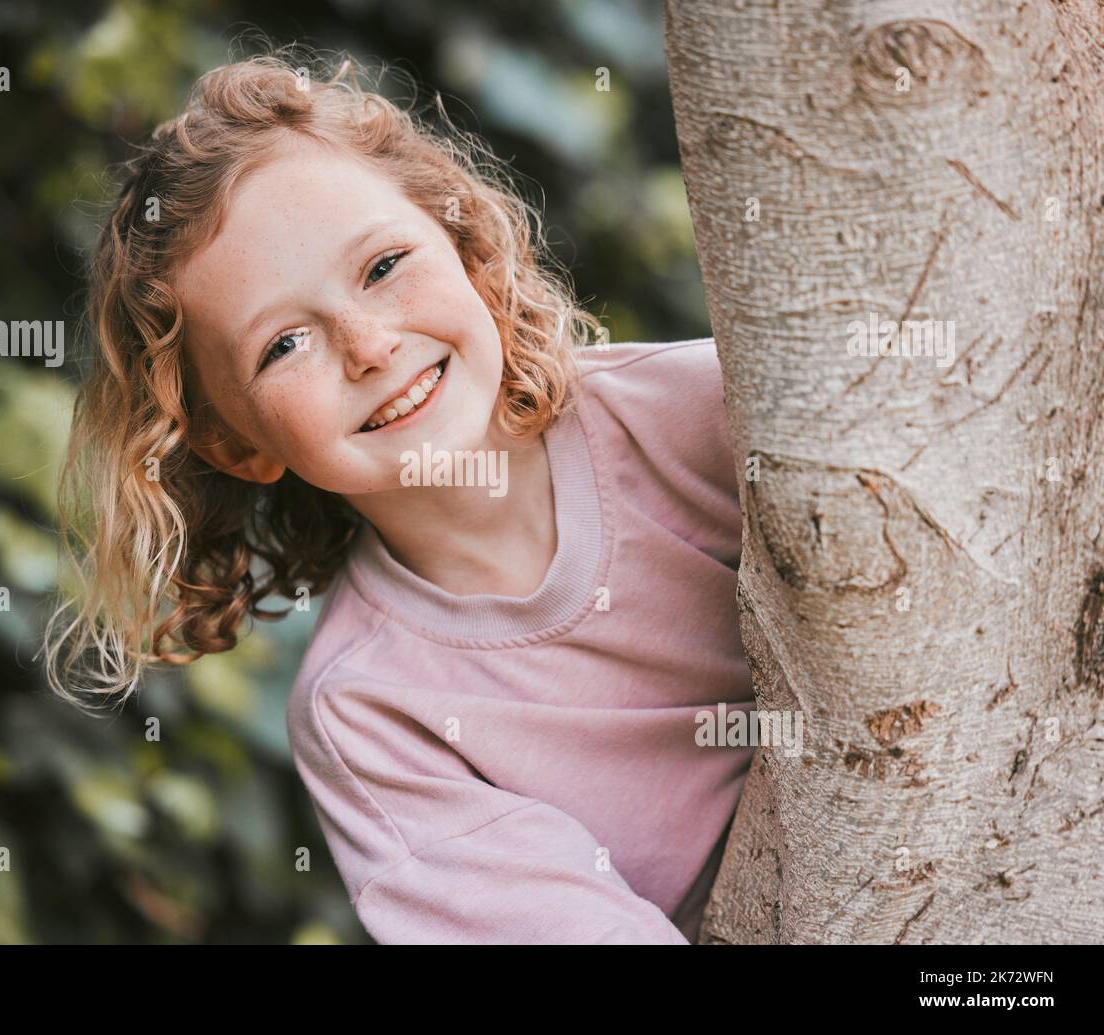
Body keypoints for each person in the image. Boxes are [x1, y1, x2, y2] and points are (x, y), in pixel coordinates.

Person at [43, 48, 755, 944]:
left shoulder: (699, 415)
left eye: (383, 266)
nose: (369, 344)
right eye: (283, 345)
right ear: (234, 441)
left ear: (464, 246)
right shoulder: (371, 710)